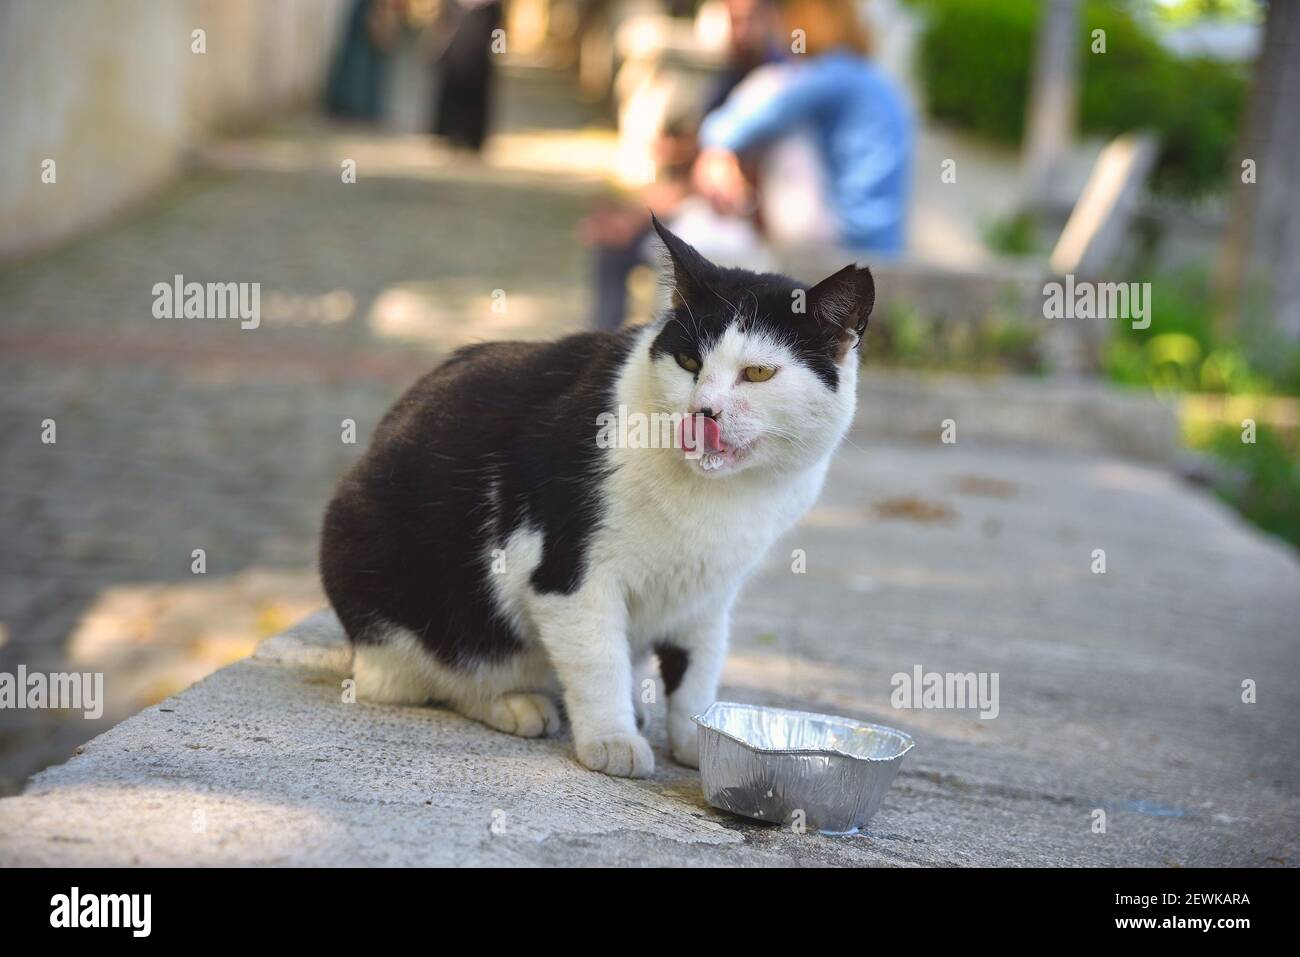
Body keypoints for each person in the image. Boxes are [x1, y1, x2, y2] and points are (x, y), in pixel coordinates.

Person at [582, 0, 784, 331]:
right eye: (734, 22)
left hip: (741, 219)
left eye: (749, 21)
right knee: (615, 244)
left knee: (631, 241)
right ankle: (603, 354)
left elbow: (729, 175)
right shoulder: (733, 73)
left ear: (773, 17)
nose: (740, 33)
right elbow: (703, 151)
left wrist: (637, 215)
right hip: (706, 205)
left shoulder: (776, 82)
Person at [692, 0, 912, 255]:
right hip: (884, 244)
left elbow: (762, 112)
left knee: (777, 103)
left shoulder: (834, 73)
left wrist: (716, 146)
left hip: (843, 239)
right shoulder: (874, 81)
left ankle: (749, 238)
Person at [430, 0, 503, 152]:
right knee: (455, 81)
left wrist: (499, 49)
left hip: (481, 43)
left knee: (477, 86)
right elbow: (444, 21)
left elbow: (499, 26)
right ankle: (452, 132)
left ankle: (473, 136)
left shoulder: (492, 8)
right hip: (458, 38)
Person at [325, 0, 402, 122]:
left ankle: (356, 106)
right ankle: (351, 105)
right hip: (371, 11)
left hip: (372, 12)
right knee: (360, 59)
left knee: (367, 59)